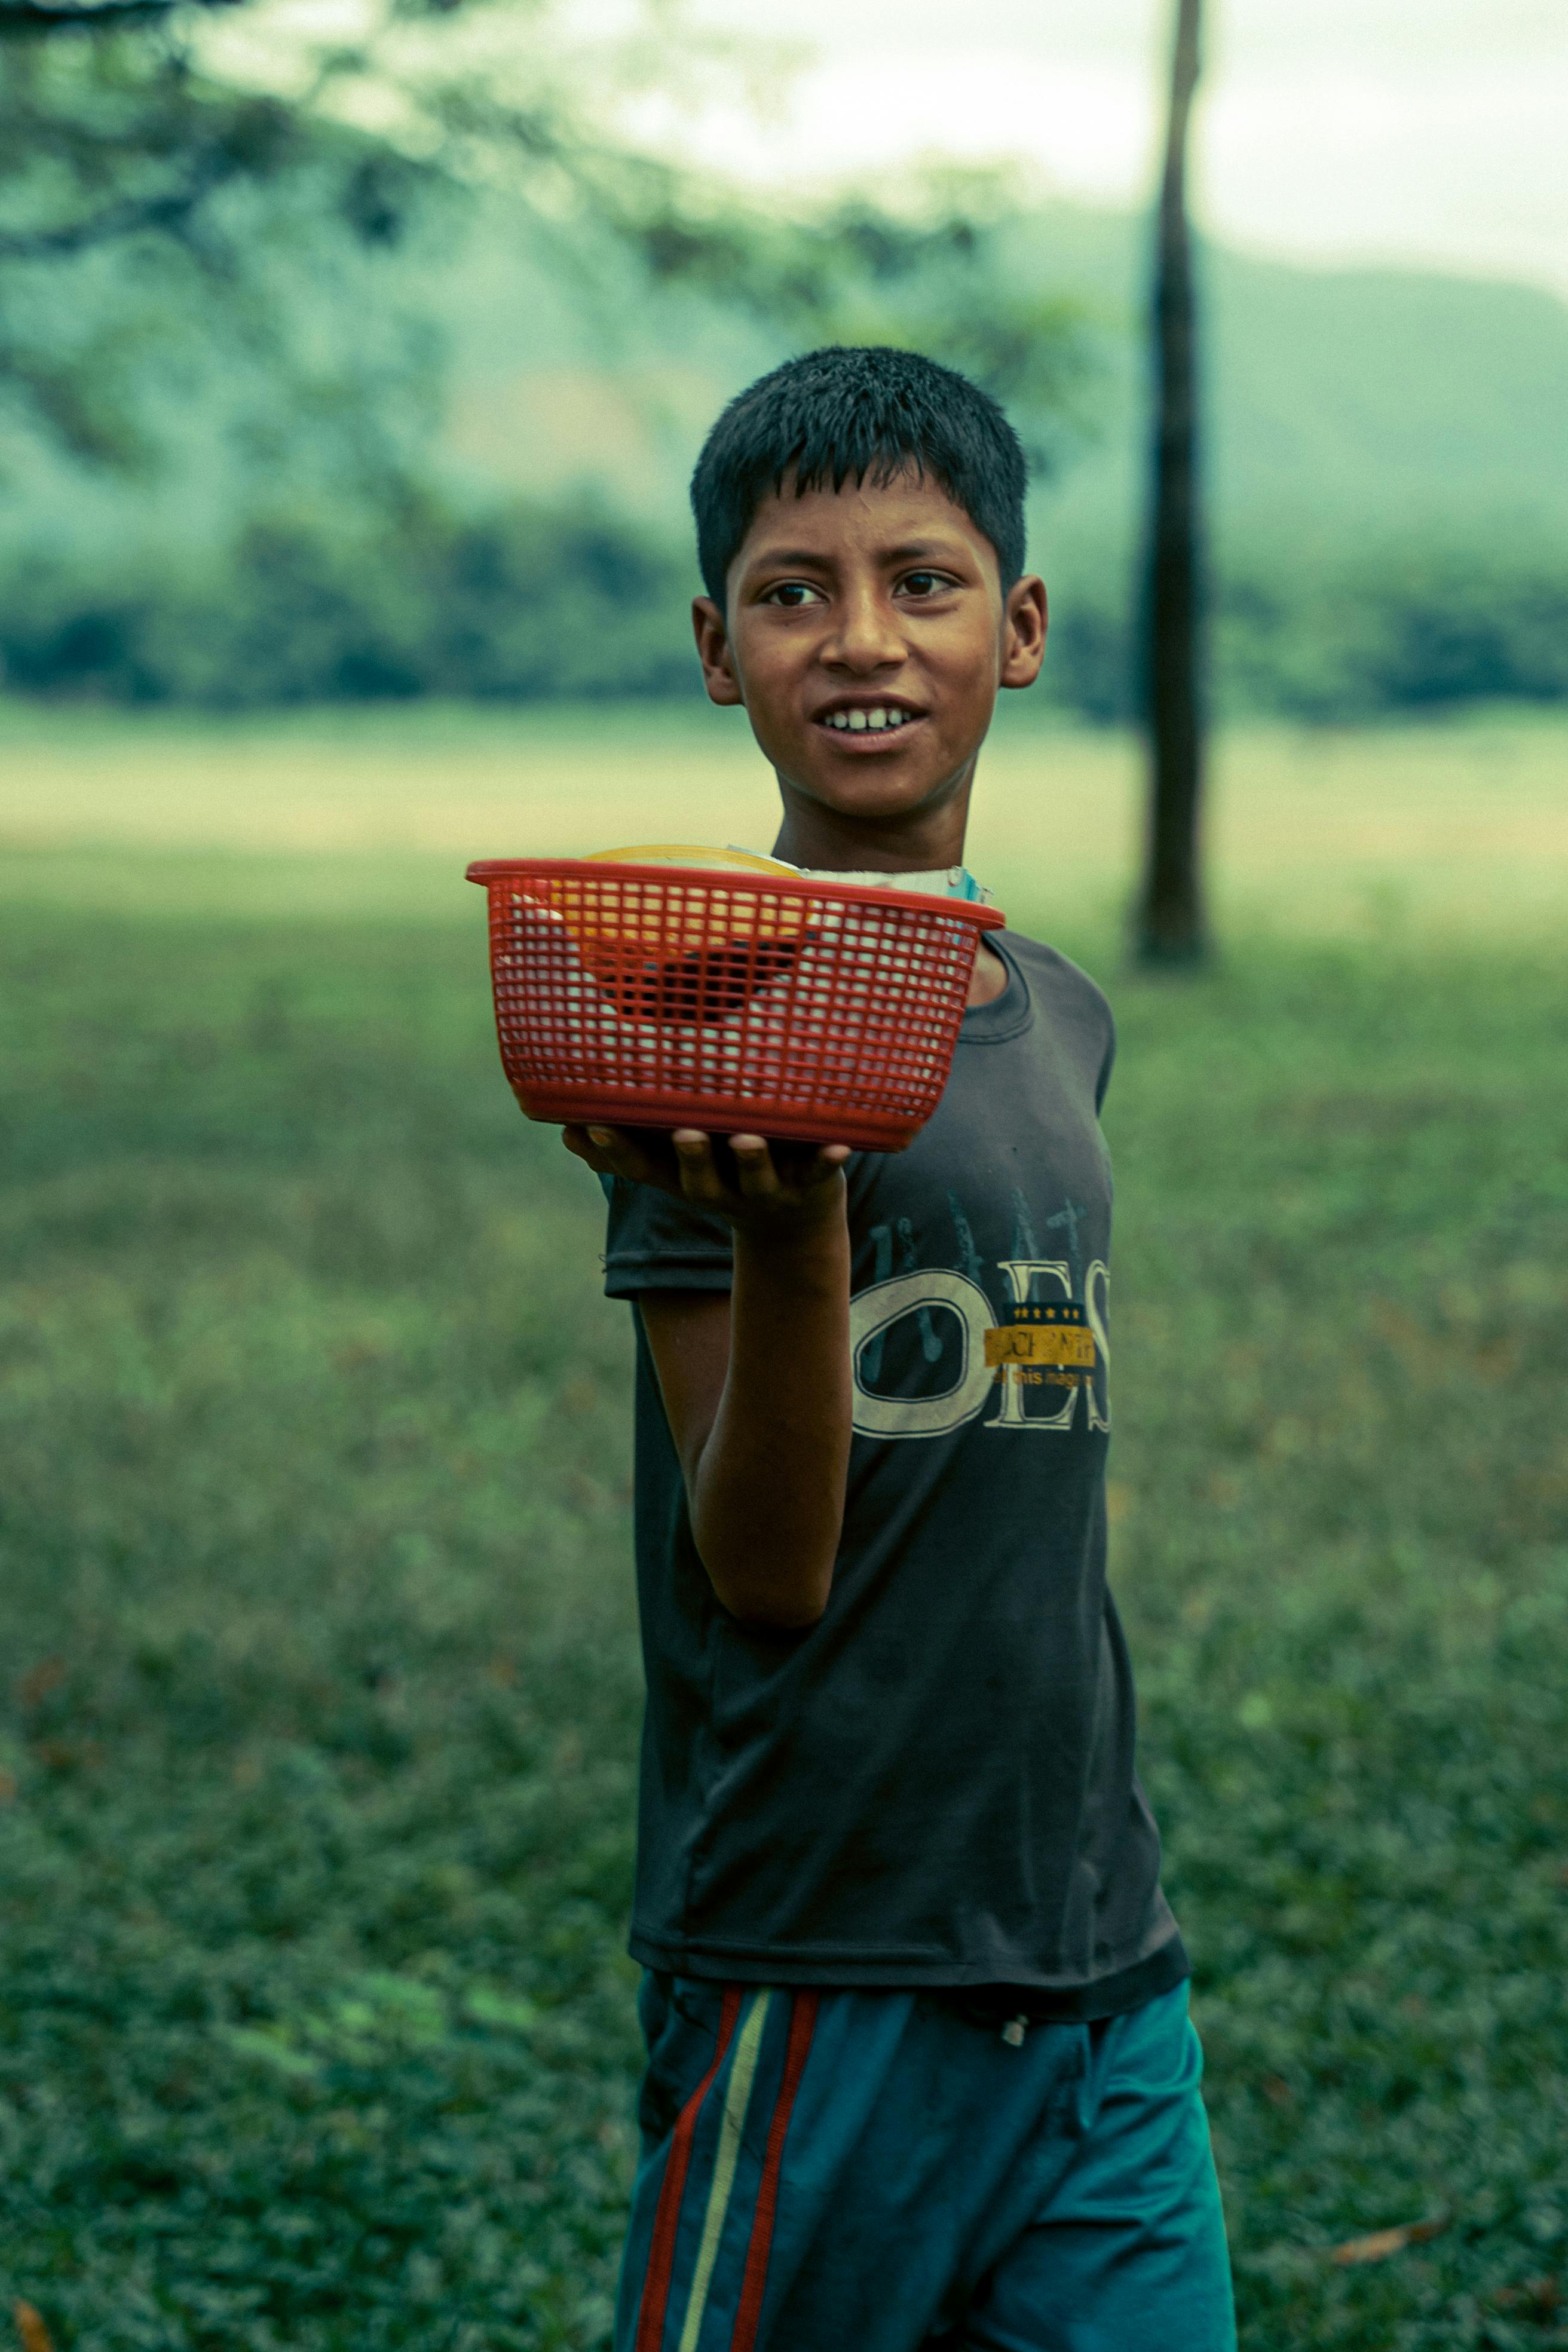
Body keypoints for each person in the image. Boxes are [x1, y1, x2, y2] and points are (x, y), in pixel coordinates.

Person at [561, 347, 1236, 2352]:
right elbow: (762, 1574)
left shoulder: (1064, 1008)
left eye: (924, 581)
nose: (862, 639)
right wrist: (792, 1238)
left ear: (1018, 629)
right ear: (717, 646)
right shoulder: (705, 1019)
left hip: (1099, 1959)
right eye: (793, 590)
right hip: (818, 1947)